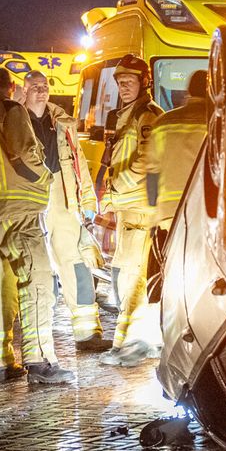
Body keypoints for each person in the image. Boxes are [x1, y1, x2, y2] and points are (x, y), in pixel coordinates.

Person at [0, 66, 73, 384]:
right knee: (37, 282)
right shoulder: (11, 111)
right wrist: (46, 180)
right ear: (13, 88)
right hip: (19, 211)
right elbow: (25, 152)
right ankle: (40, 362)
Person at [23, 70, 112, 352]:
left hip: (61, 195)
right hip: (30, 196)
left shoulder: (61, 121)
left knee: (76, 261)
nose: (41, 91)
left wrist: (87, 199)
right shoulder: (15, 118)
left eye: (44, 86)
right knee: (37, 268)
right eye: (35, 87)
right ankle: (38, 339)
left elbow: (77, 161)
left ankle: (87, 332)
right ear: (24, 91)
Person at [98, 54, 164, 368]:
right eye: (121, 83)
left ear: (144, 83)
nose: (124, 87)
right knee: (126, 275)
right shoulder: (125, 114)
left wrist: (121, 185)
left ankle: (130, 344)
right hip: (127, 206)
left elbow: (148, 156)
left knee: (134, 277)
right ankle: (136, 341)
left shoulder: (147, 115)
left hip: (139, 205)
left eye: (130, 82)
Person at [146, 70, 208, 232]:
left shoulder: (163, 123)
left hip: (169, 213)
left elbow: (152, 171)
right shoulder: (215, 121)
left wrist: (153, 210)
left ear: (189, 91)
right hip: (203, 210)